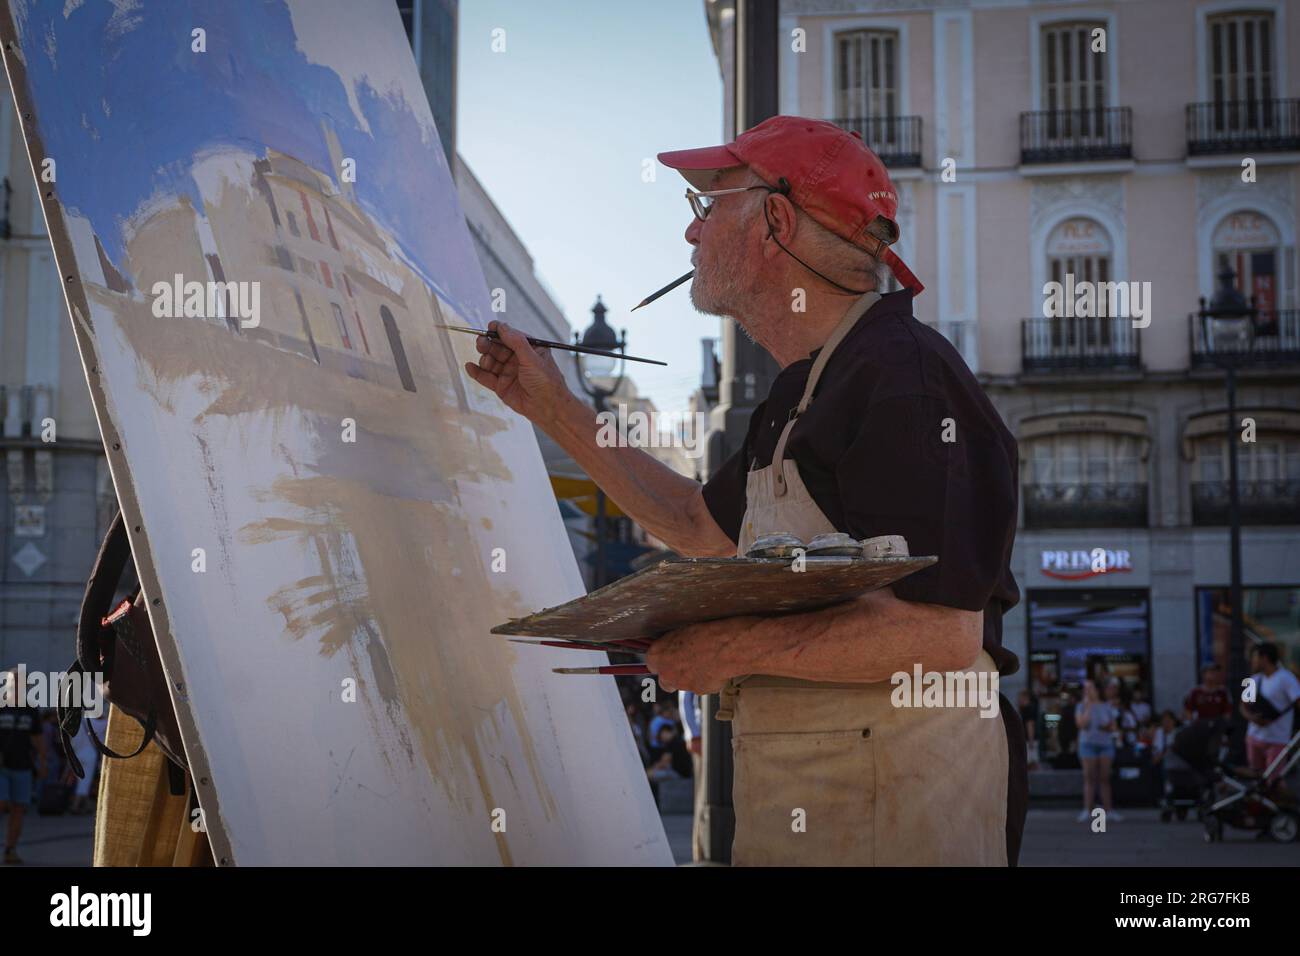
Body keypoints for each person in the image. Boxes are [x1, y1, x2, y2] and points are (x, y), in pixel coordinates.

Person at [463, 116, 1025, 866]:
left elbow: (938, 634)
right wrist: (554, 407)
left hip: (896, 808)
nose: (692, 236)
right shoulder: (805, 389)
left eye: (708, 207)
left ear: (775, 221)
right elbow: (694, 522)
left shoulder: (904, 381)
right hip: (827, 798)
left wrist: (729, 646)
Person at [0, 667, 49, 864]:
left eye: (21, 682)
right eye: (14, 681)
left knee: (18, 809)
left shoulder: (31, 709)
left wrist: (43, 762)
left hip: (23, 767)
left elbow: (37, 738)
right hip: (1, 766)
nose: (17, 685)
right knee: (1, 804)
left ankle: (10, 849)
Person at [1240, 643, 1300, 780]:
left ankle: (1280, 801)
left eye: (1254, 657)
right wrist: (1252, 718)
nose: (1252, 661)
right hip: (1254, 738)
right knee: (1255, 779)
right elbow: (1242, 706)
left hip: (1277, 739)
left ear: (1264, 658)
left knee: (1273, 781)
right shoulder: (1254, 680)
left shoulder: (1286, 678)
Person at [1075, 680, 1121, 823]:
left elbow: (1113, 726)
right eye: (1085, 689)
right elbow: (1082, 724)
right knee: (1089, 778)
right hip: (1087, 744)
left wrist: (1107, 726)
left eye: (1090, 688)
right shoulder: (1081, 706)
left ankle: (1109, 810)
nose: (1087, 691)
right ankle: (1087, 810)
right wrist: (1089, 706)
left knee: (1104, 778)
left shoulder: (1106, 706)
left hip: (1105, 744)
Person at [1018, 690, 1040, 770]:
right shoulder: (1028, 709)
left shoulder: (1028, 709)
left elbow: (1030, 725)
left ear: (1025, 698)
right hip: (1030, 739)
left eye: (1020, 698)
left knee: (1031, 762)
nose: (1019, 700)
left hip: (1029, 739)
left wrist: (1031, 740)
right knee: (1031, 761)